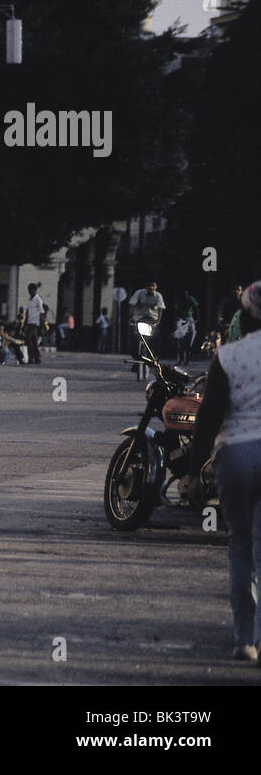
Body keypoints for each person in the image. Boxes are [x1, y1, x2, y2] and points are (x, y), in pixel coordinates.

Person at [191, 280, 261, 664]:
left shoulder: (228, 356)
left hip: (235, 455)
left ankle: (243, 639)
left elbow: (209, 415)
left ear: (245, 317)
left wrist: (191, 470)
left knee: (239, 547)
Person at [128, 280, 166, 357]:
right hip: (139, 318)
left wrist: (158, 320)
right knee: (134, 335)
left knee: (156, 336)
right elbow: (132, 305)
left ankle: (154, 355)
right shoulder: (139, 293)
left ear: (156, 287)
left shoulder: (158, 296)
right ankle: (134, 354)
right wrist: (130, 316)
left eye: (153, 286)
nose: (151, 288)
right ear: (147, 287)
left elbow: (160, 309)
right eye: (150, 286)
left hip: (152, 319)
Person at [24, 284, 45, 364]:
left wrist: (43, 325)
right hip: (29, 322)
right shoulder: (30, 300)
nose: (29, 292)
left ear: (35, 290)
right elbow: (28, 312)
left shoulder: (38, 299)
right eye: (28, 290)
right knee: (34, 341)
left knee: (28, 338)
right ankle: (37, 358)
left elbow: (42, 312)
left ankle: (31, 357)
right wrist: (25, 323)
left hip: (35, 323)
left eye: (31, 290)